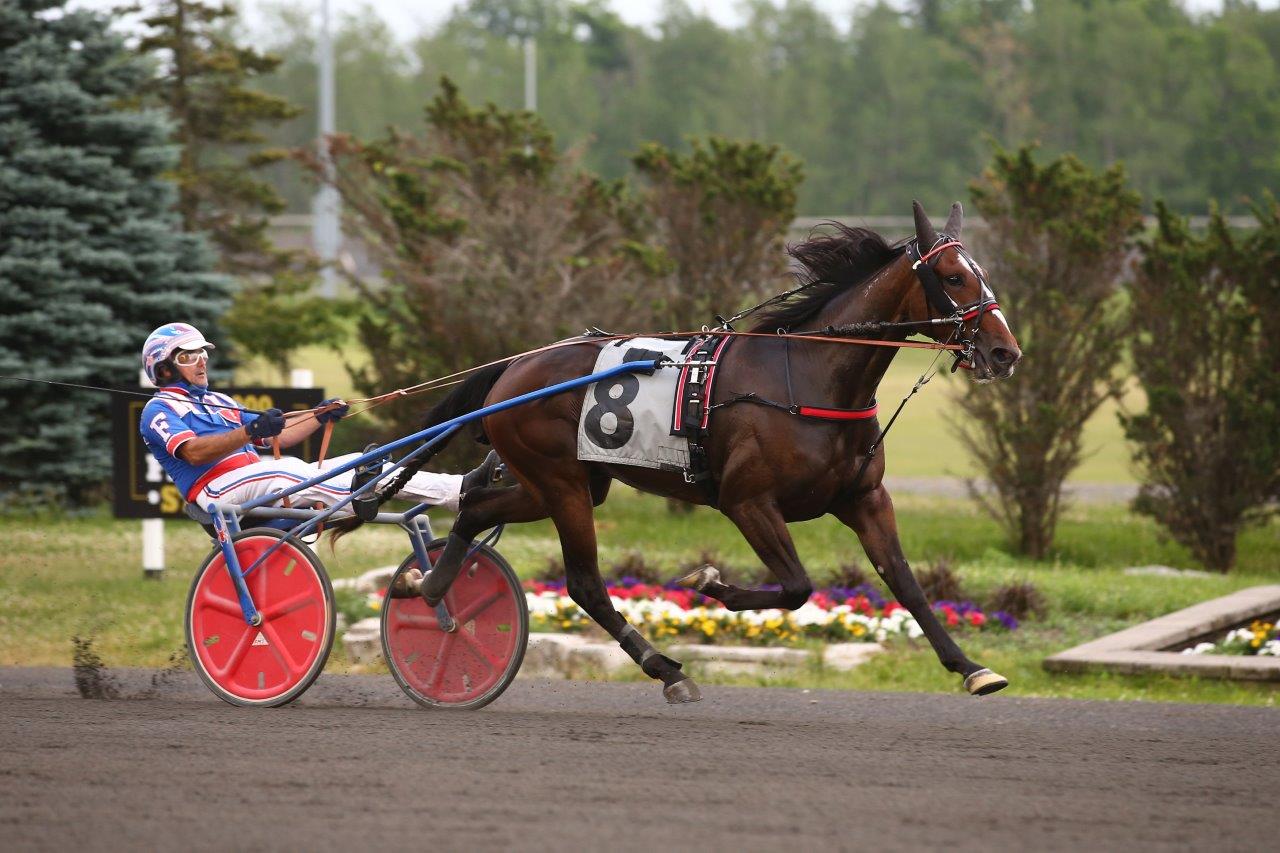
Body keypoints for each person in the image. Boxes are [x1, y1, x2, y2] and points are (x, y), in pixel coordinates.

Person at [137, 322, 498, 517]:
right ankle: (359, 490)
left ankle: (457, 490)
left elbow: (273, 439)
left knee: (365, 461)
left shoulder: (218, 400)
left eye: (202, 353)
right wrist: (249, 430)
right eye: (188, 356)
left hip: (254, 483)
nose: (201, 361)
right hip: (216, 491)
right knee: (287, 470)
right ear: (165, 368)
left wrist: (320, 416)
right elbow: (195, 453)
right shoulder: (159, 410)